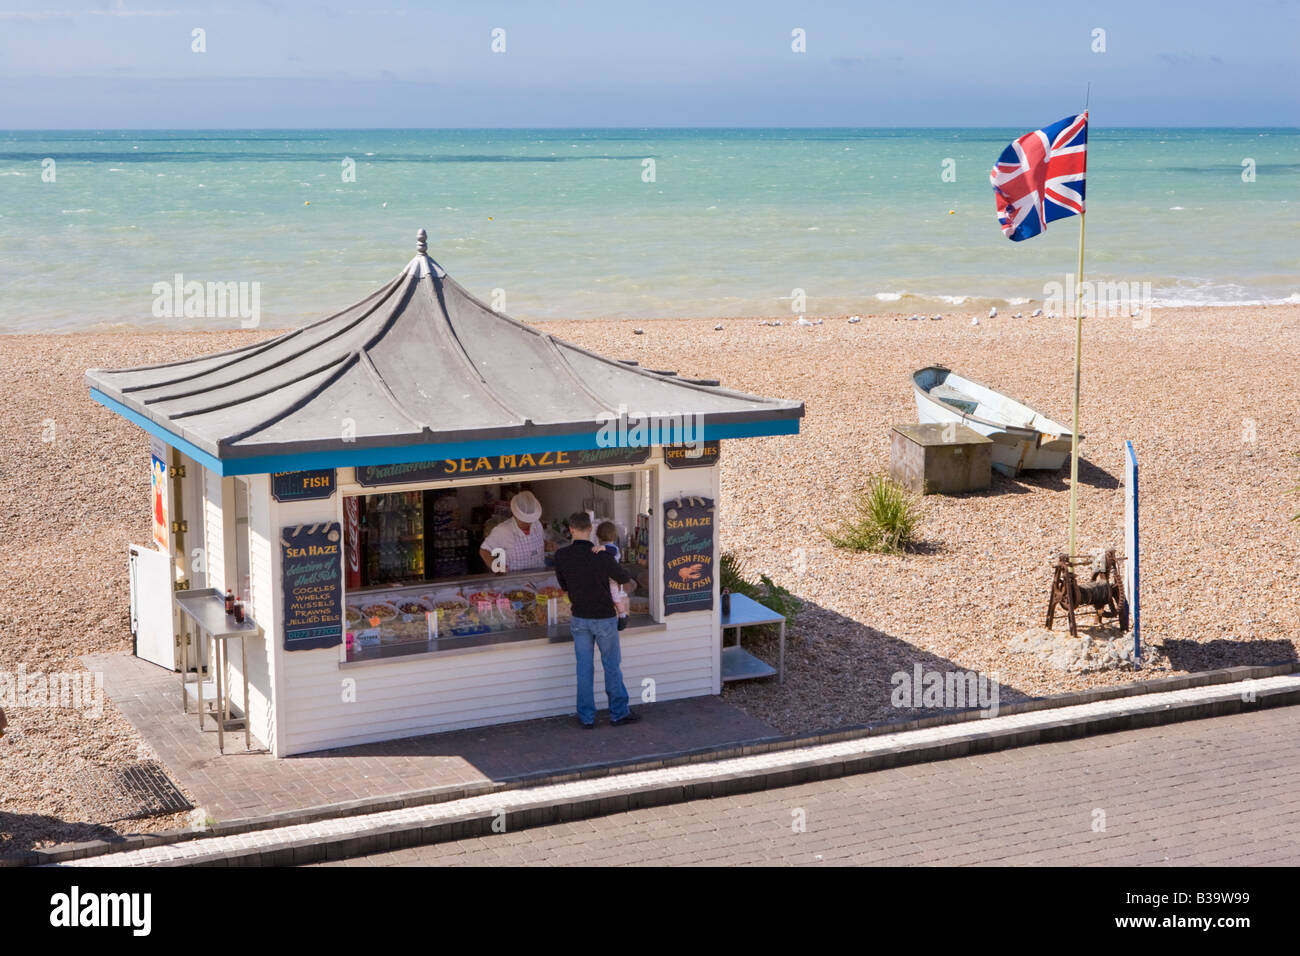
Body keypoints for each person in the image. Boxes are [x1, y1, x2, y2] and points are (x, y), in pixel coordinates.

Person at [555, 511, 639, 728]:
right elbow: (625, 580)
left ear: (571, 529)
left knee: (584, 668)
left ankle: (586, 717)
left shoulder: (562, 556)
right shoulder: (601, 556)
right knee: (611, 665)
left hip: (579, 618)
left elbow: (564, 586)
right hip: (604, 618)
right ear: (590, 529)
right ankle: (618, 713)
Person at [478, 491, 545, 574]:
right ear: (515, 514)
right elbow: (484, 550)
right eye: (524, 520)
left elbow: (536, 545)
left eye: (530, 520)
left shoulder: (537, 524)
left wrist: (547, 545)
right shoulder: (503, 530)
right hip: (515, 580)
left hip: (538, 577)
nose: (528, 523)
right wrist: (496, 567)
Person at [591, 521, 630, 630]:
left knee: (615, 597)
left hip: (612, 578)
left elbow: (612, 550)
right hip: (604, 577)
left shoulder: (613, 548)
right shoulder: (601, 547)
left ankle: (623, 614)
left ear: (598, 536)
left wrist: (603, 548)